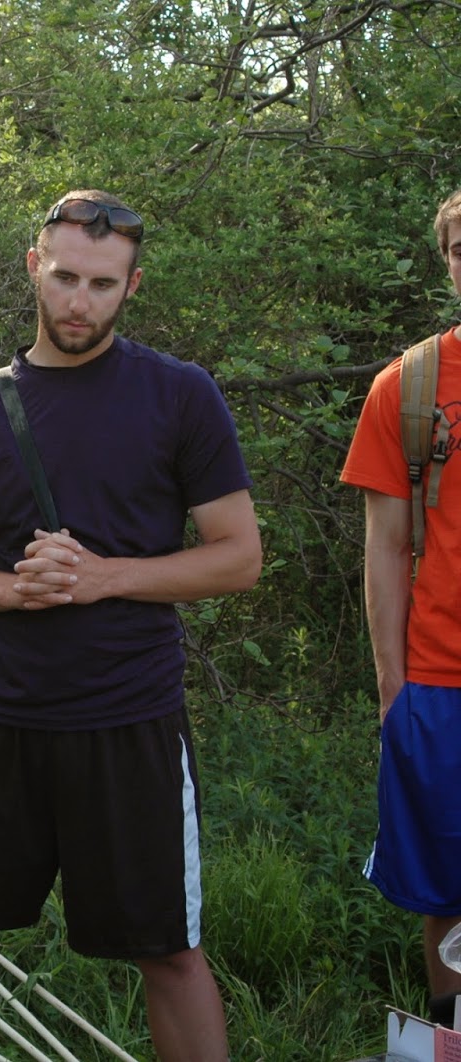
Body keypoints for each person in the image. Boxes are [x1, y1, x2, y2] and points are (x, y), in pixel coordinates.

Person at [0, 190, 262, 1062]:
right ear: (33, 267)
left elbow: (237, 557)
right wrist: (16, 591)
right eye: (66, 277)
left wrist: (104, 579)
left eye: (103, 284)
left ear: (132, 286)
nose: (80, 301)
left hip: (130, 716)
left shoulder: (179, 396)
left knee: (167, 946)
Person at [339, 187, 461, 1031]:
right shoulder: (412, 385)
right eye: (460, 250)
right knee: (444, 887)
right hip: (437, 680)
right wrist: (393, 687)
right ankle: (453, 1032)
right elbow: (386, 544)